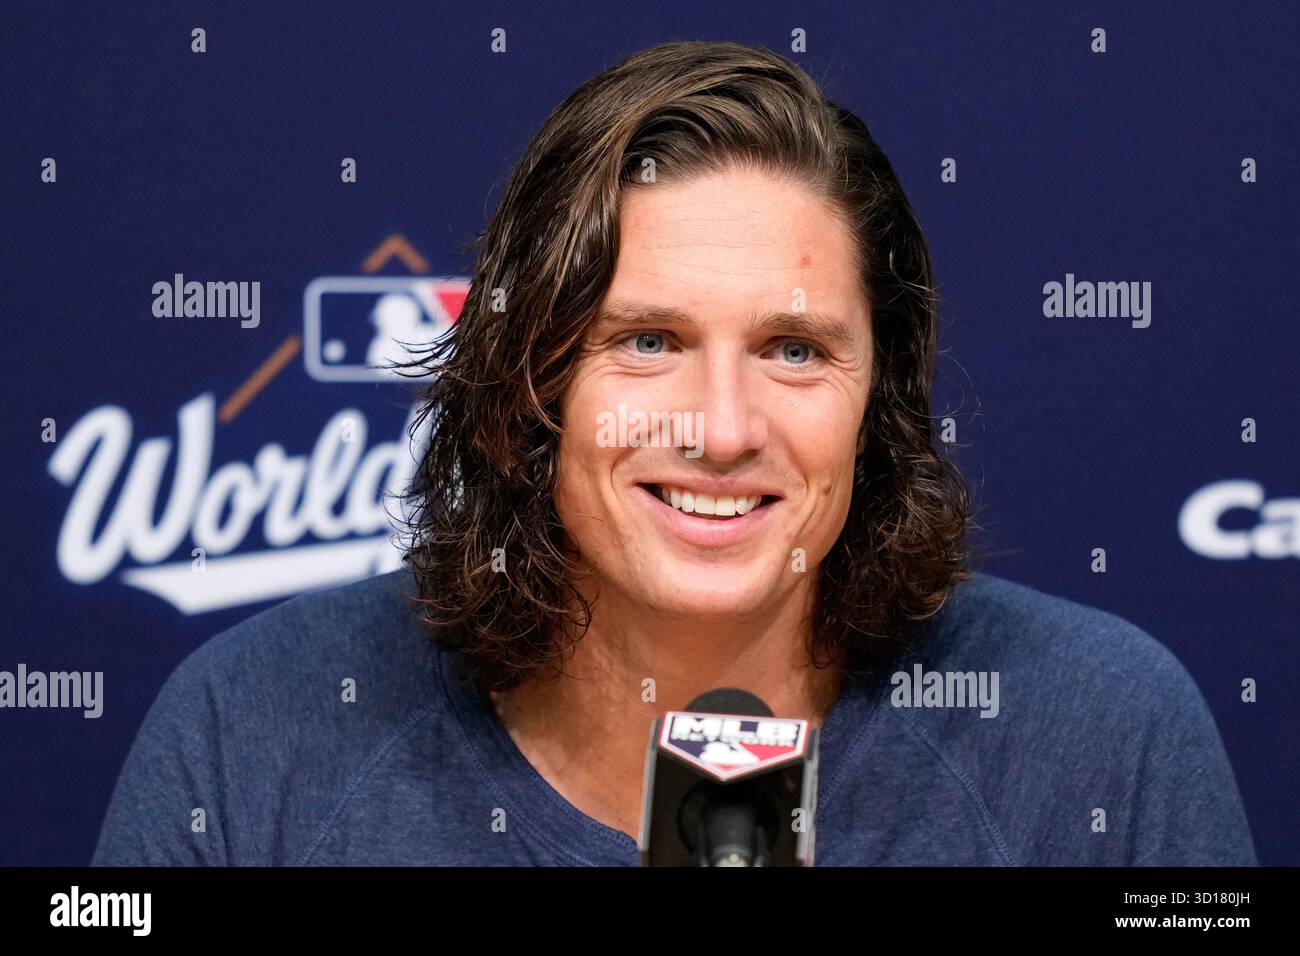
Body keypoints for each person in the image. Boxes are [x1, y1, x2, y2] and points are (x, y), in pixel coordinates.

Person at [92, 40, 1256, 866]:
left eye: (794, 350)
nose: (721, 428)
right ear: (532, 381)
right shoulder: (254, 733)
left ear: (879, 396)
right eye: (647, 340)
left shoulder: (1101, 733)